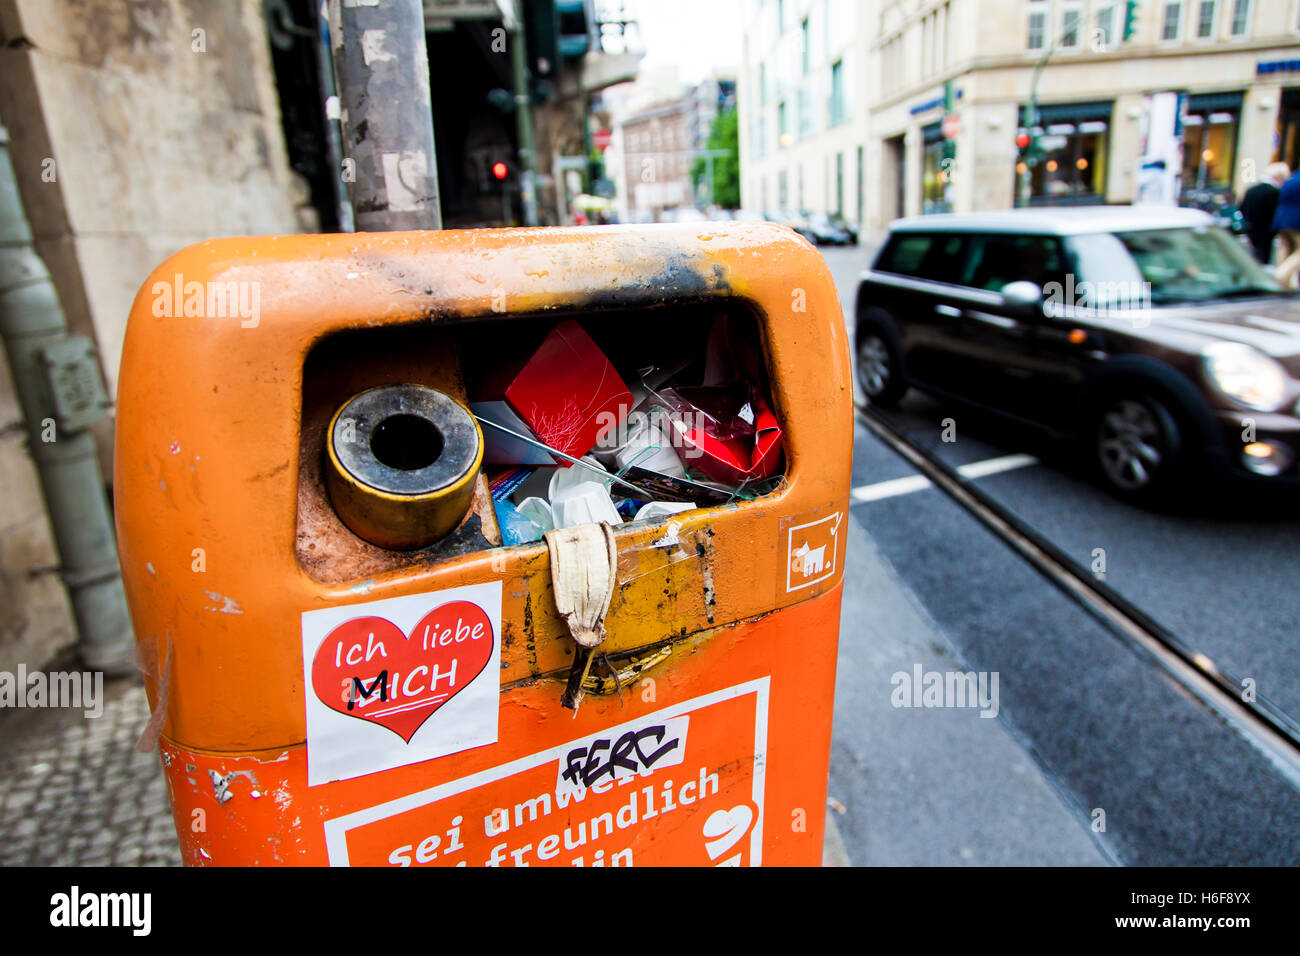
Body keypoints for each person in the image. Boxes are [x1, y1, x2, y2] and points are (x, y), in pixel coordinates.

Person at [1239, 162, 1289, 264]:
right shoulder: (1274, 192)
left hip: (1250, 228)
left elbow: (1242, 207)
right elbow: (1274, 213)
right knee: (1262, 257)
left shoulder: (1251, 189)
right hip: (1265, 231)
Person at [1273, 166, 1300, 288]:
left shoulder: (1291, 179)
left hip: (1282, 221)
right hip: (1296, 222)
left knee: (1285, 250)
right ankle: (1280, 276)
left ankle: (1284, 285)